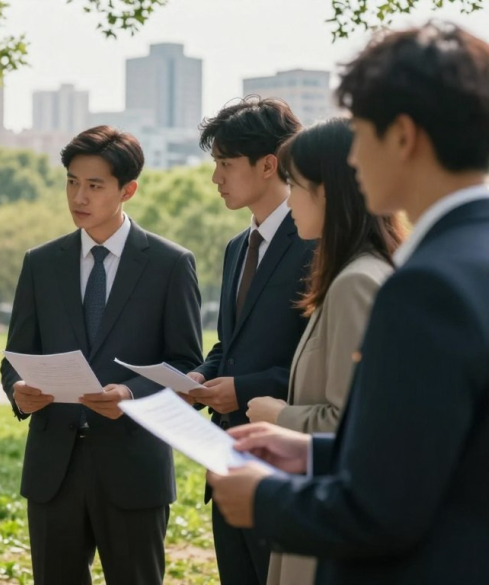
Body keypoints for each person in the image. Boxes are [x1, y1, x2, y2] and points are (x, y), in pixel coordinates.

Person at [208, 22, 489, 585]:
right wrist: (314, 456)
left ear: (403, 136)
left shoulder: (426, 287)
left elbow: (383, 510)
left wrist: (263, 501)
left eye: (360, 133)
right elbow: (437, 457)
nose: (353, 159)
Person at [0, 125, 203, 584]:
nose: (79, 196)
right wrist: (18, 389)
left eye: (94, 185)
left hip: (134, 468)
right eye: (72, 181)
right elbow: (15, 355)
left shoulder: (170, 264)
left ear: (128, 189)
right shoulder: (41, 263)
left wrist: (130, 392)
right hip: (55, 467)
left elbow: (187, 363)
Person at [244, 118, 407, 585]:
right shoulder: (354, 274)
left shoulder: (356, 283)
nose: (289, 199)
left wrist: (276, 414)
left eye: (294, 185)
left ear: (329, 192)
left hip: (326, 529)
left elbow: (351, 425)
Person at [187, 97, 313, 585]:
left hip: (285, 463)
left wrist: (241, 389)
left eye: (224, 164)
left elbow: (318, 368)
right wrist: (200, 376)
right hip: (227, 460)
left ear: (269, 165)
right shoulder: (238, 246)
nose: (216, 178)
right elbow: (230, 344)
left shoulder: (317, 243)